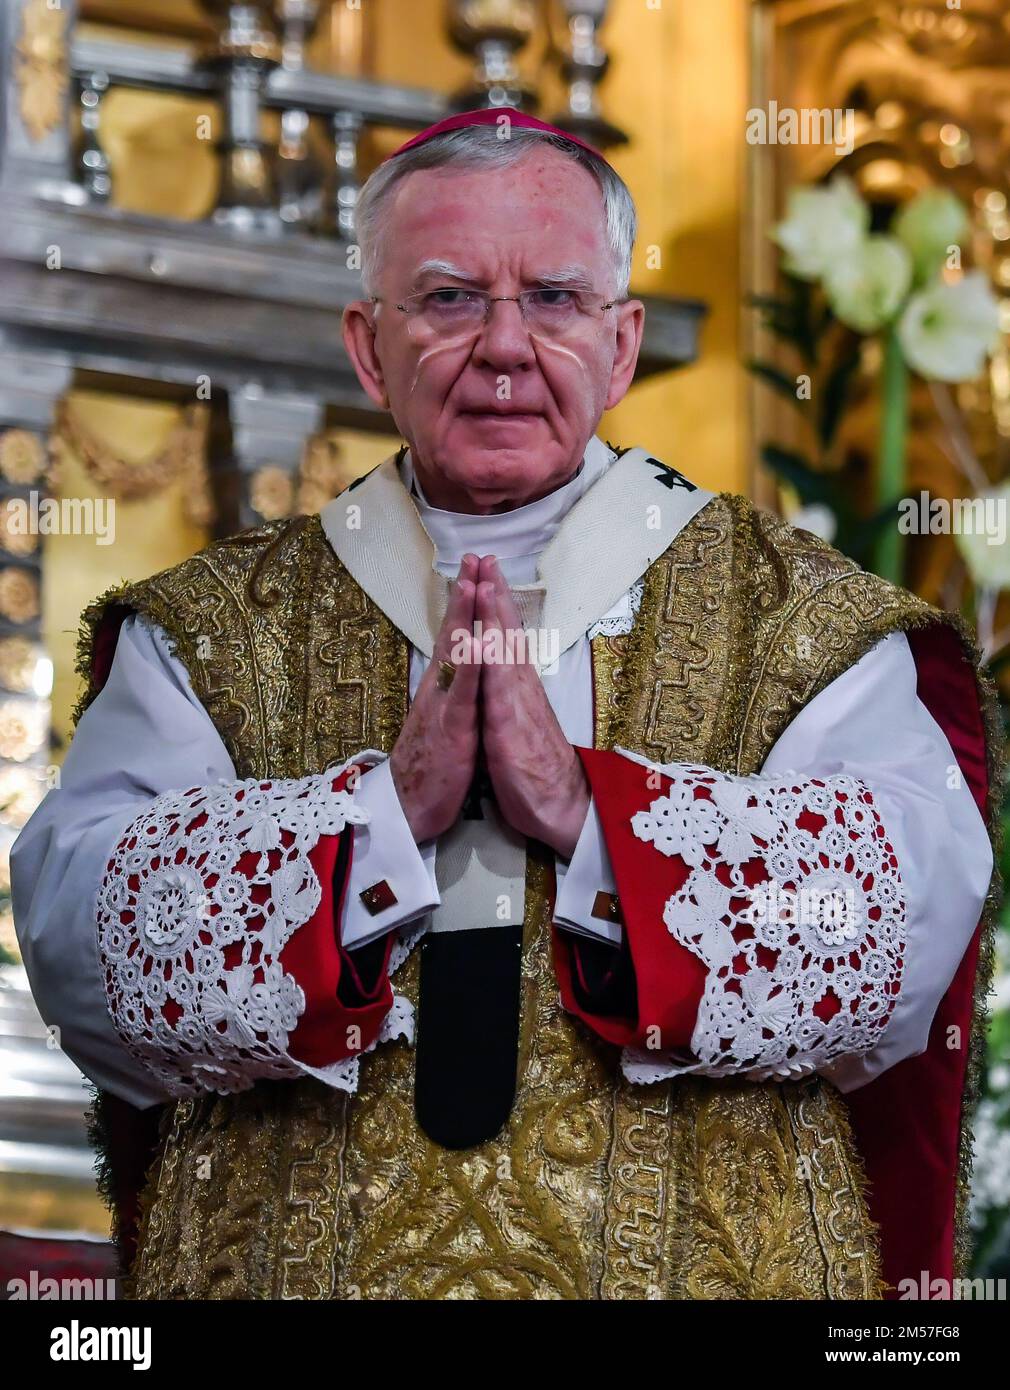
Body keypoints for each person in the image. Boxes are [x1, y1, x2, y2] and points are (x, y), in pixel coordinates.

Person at [12, 107, 999, 1301]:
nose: (501, 344)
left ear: (621, 342)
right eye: (444, 298)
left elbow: (906, 919)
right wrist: (379, 816)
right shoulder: (215, 627)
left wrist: (590, 814)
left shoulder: (797, 618)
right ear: (367, 347)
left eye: (552, 298)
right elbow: (74, 936)